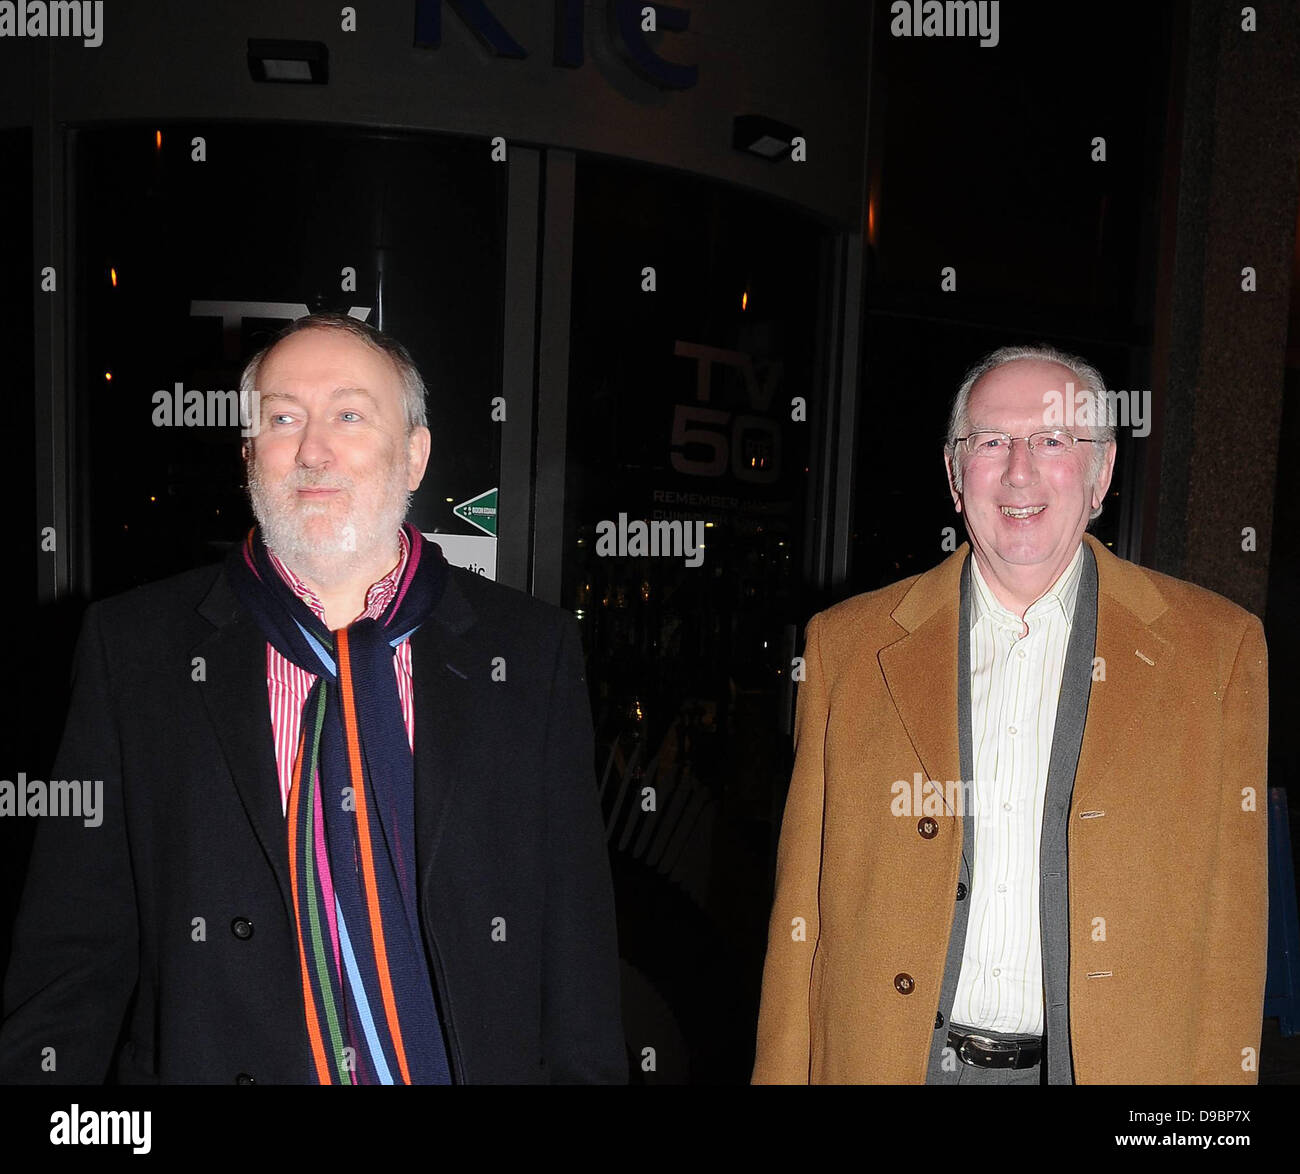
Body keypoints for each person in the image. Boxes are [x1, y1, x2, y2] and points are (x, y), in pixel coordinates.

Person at [0, 312, 626, 1084]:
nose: (313, 450)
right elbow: (69, 956)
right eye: (283, 418)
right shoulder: (134, 651)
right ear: (249, 456)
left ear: (414, 457)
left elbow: (578, 951)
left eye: (350, 415)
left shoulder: (531, 653)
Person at [752, 344, 1268, 1084]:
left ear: (1102, 474)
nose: (1019, 470)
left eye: (1053, 441)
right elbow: (799, 916)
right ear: (955, 475)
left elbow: (1234, 941)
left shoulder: (1218, 652)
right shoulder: (848, 646)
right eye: (991, 442)